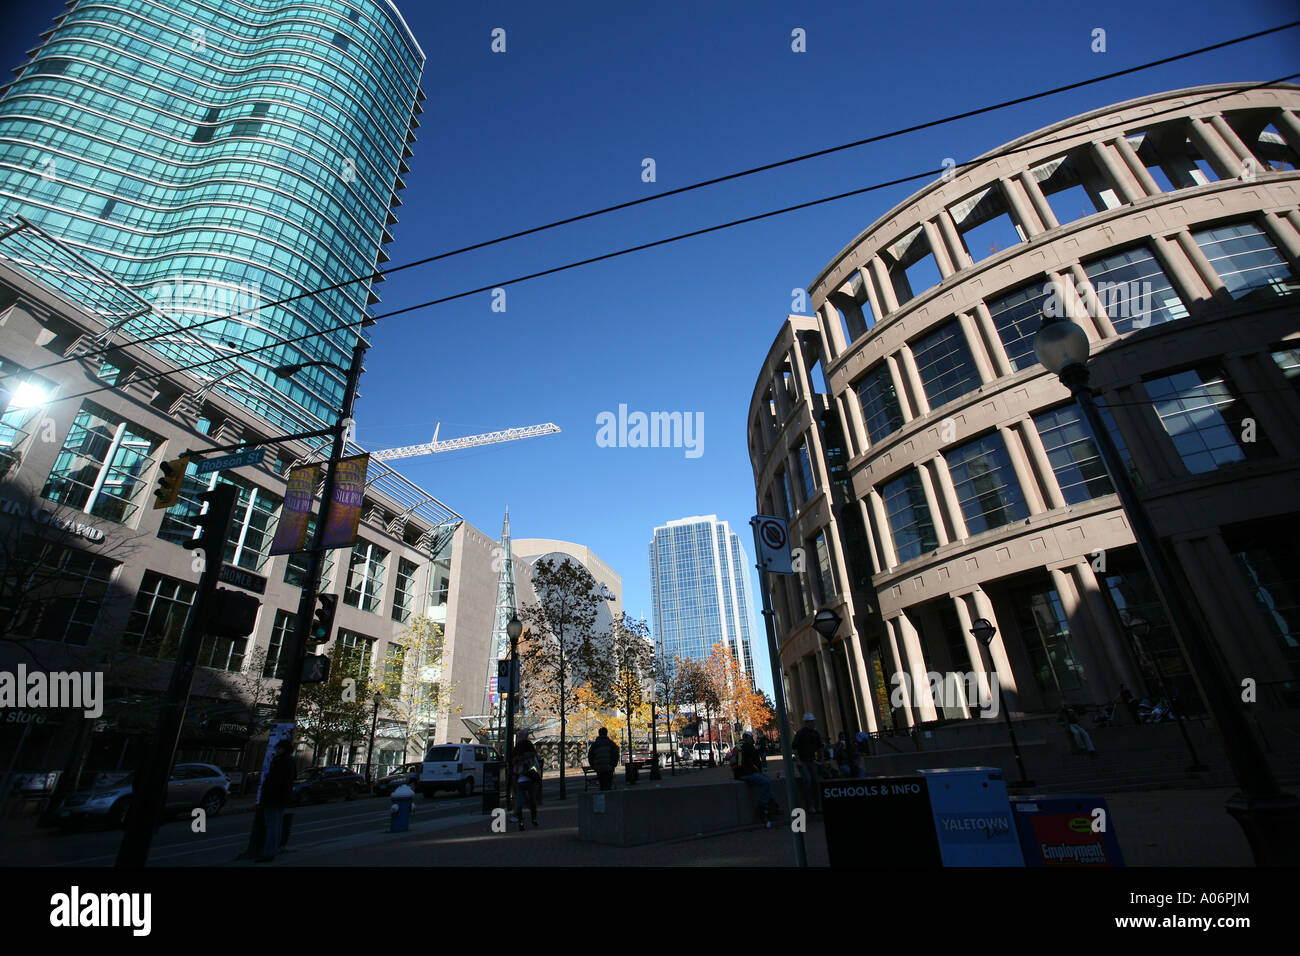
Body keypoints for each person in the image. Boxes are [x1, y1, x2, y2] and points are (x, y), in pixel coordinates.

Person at [257, 739, 295, 862]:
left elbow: (275, 781)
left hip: (273, 797)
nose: (276, 750)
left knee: (272, 825)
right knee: (276, 824)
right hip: (280, 798)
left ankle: (269, 852)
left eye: (278, 748)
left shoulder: (280, 762)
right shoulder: (290, 761)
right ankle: (272, 850)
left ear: (282, 749)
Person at [734, 731, 778, 826]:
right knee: (766, 781)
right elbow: (757, 761)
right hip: (747, 773)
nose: (752, 740)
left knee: (765, 779)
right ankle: (764, 805)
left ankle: (770, 803)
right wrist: (759, 770)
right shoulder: (749, 747)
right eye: (751, 738)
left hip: (737, 774)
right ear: (748, 738)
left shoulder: (737, 746)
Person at [791, 714, 823, 813]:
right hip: (803, 761)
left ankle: (818, 806)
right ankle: (810, 805)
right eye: (811, 721)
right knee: (808, 780)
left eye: (813, 721)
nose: (813, 723)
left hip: (812, 760)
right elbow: (795, 747)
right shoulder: (800, 733)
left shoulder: (816, 733)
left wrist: (821, 760)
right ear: (806, 723)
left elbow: (820, 747)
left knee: (815, 781)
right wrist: (798, 761)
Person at [512, 729, 541, 829]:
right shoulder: (524, 747)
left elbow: (533, 758)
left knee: (529, 801)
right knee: (525, 802)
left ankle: (530, 819)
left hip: (526, 778)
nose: (520, 736)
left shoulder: (522, 747)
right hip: (523, 779)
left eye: (521, 735)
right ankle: (524, 821)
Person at [587, 727, 620, 791]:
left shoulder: (595, 745)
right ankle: (608, 797)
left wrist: (594, 766)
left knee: (602, 784)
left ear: (599, 734)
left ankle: (602, 797)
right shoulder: (611, 743)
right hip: (609, 767)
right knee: (608, 784)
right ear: (606, 733)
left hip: (599, 767)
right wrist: (613, 765)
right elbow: (616, 755)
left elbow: (590, 756)